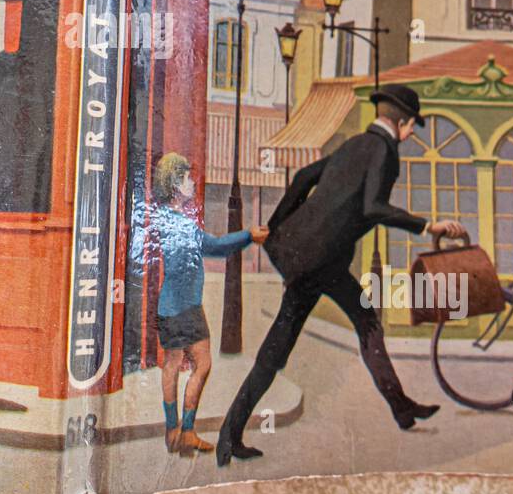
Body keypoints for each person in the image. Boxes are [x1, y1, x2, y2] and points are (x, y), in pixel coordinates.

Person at [217, 84, 465, 466]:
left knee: (331, 330)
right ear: (402, 123)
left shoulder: (352, 145)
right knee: (352, 328)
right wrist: (427, 225)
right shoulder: (384, 151)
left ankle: (230, 434)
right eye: (414, 126)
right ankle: (231, 433)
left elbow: (302, 177)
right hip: (325, 263)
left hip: (308, 259)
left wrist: (277, 227)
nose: (413, 133)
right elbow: (372, 207)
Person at [130, 153, 268, 455]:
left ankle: (171, 431)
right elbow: (215, 248)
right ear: (177, 184)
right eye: (188, 177)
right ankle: (188, 431)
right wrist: (249, 236)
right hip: (187, 307)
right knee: (202, 365)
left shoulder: (162, 219)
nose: (193, 181)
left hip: (167, 308)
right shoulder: (182, 225)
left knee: (171, 365)